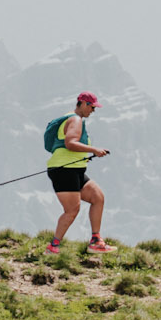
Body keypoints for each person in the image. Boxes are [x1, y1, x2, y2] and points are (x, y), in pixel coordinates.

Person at [46, 91, 113, 254]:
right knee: (72, 210)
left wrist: (84, 157)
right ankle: (53, 247)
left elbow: (71, 146)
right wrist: (94, 150)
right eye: (91, 107)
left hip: (74, 169)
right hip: (64, 170)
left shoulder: (75, 120)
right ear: (82, 103)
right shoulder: (75, 119)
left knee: (98, 197)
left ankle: (95, 241)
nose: (93, 111)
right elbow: (70, 143)